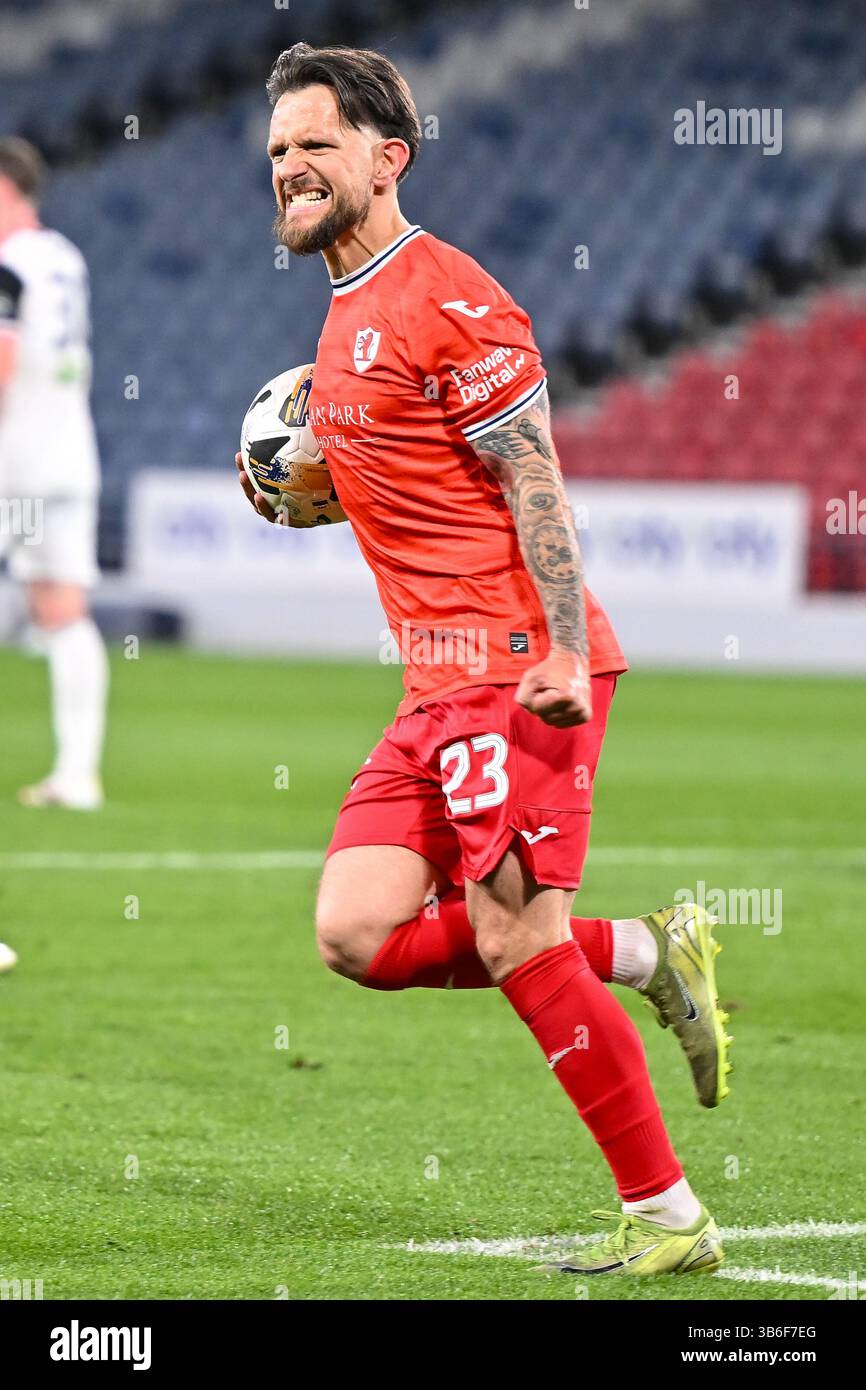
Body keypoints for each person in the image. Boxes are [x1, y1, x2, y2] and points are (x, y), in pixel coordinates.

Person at [236, 43, 732, 1276]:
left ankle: (668, 1218)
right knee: (355, 932)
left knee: (515, 941)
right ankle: (638, 949)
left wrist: (562, 647)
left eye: (315, 145)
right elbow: (416, 476)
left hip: (513, 670)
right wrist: (311, 485)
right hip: (429, 681)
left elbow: (532, 476)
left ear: (385, 158)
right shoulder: (345, 311)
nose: (289, 167)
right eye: (279, 150)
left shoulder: (448, 295)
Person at [0, 137, 107, 810]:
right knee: (63, 611)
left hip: (16, 461)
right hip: (68, 451)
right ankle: (78, 774)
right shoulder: (65, 256)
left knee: (57, 609)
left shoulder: (8, 264)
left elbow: (4, 359)